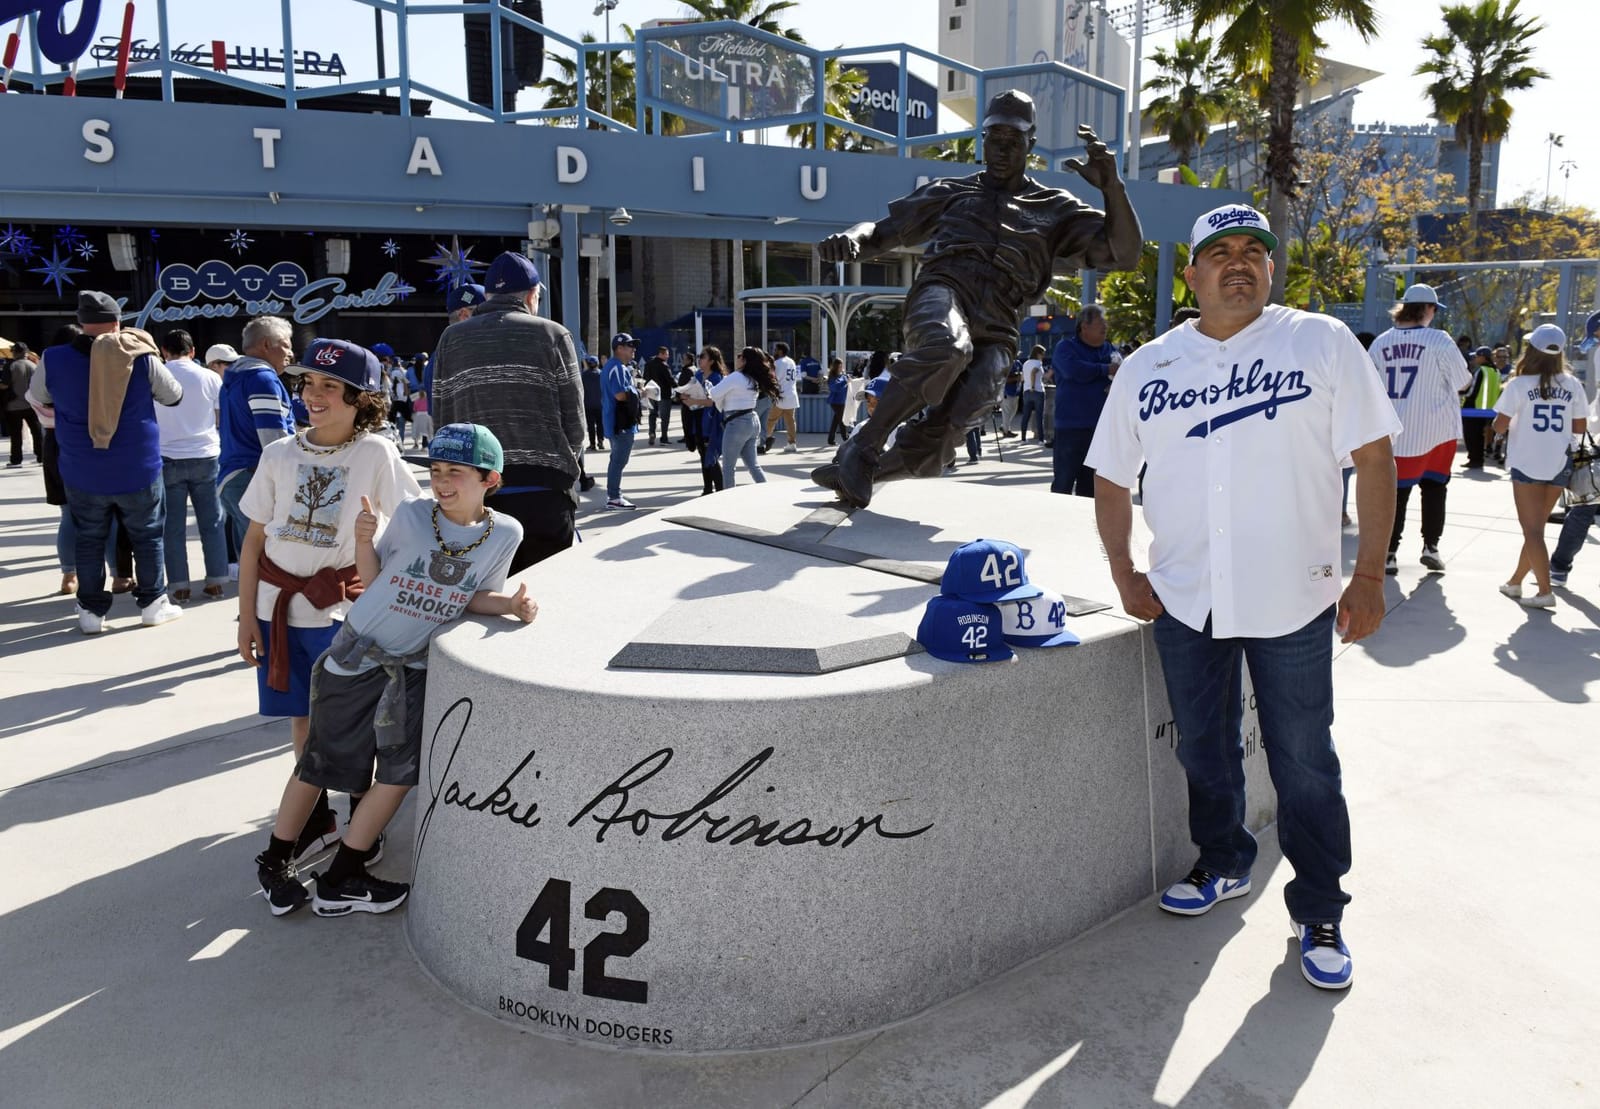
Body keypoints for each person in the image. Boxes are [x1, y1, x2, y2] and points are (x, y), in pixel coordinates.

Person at [1088, 203, 1399, 991]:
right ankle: (1224, 859)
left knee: (1304, 762)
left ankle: (1319, 906)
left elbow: (1372, 456)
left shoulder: (1319, 341)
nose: (1238, 262)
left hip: (1293, 600)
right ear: (1190, 275)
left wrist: (1368, 574)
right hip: (1188, 597)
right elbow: (1112, 477)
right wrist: (1125, 570)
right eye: (1218, 252)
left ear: (1272, 269)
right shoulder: (1148, 365)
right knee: (1203, 747)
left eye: (1253, 251)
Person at [253, 422, 536, 916]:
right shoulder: (410, 515)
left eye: (457, 472)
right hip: (357, 656)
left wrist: (510, 605)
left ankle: (342, 875)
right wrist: (364, 540)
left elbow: (473, 596)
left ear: (490, 479)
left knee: (400, 774)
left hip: (414, 670)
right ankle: (274, 861)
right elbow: (373, 578)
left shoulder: (505, 533)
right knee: (321, 763)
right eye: (437, 471)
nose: (443, 482)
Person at [811, 90, 1140, 509]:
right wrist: (852, 238)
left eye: (1013, 140)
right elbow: (879, 231)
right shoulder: (951, 191)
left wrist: (1112, 187)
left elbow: (1125, 255)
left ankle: (861, 472)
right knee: (948, 347)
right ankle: (865, 446)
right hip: (943, 291)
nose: (1001, 149)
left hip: (1000, 326)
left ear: (1030, 145)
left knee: (950, 431)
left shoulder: (1056, 209)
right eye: (993, 137)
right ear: (982, 140)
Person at [238, 338, 420, 864]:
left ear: (361, 398)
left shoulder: (376, 453)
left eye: (330, 386)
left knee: (354, 721)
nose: (314, 395)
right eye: (307, 383)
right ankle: (316, 815)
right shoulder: (278, 454)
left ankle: (362, 814)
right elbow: (253, 541)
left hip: (343, 611)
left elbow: (415, 521)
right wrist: (247, 616)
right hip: (278, 611)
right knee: (303, 719)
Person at [430, 252, 586, 567]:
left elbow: (443, 424)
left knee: (486, 596)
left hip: (478, 492)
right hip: (545, 492)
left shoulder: (451, 339)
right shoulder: (553, 334)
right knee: (548, 596)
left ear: (487, 296)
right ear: (532, 296)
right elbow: (576, 423)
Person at [1367, 284, 1470, 575]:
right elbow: (1463, 381)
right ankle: (1431, 547)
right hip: (1435, 429)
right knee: (1435, 488)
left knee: (1395, 495)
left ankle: (1389, 552)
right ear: (1426, 308)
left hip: (1392, 430)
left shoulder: (1381, 342)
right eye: (1434, 308)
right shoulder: (1439, 339)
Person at [1492, 324, 1586, 608]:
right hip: (1560, 462)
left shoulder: (1519, 384)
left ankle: (1545, 591)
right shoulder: (1572, 384)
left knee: (1532, 531)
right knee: (1536, 530)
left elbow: (1500, 425)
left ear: (1531, 350)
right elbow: (1579, 427)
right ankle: (1515, 582)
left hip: (1526, 462)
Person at [155, 329, 228, 603]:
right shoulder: (210, 377)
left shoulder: (155, 375)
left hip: (166, 456)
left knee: (171, 527)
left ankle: (179, 585)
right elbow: (220, 417)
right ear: (193, 351)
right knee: (212, 521)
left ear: (164, 351)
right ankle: (216, 582)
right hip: (206, 454)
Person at [217, 316, 296, 564]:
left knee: (252, 566)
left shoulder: (236, 377)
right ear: (265, 344)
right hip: (253, 479)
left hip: (236, 477)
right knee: (269, 567)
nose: (291, 352)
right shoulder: (262, 379)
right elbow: (274, 443)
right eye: (286, 344)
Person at [25, 323, 91, 595]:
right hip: (82, 441)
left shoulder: (45, 371)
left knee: (67, 514)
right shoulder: (76, 372)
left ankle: (69, 574)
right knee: (103, 511)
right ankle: (115, 574)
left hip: (53, 443)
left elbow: (34, 398)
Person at [1050, 305, 1120, 496]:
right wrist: (1105, 370)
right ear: (1084, 327)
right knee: (1063, 483)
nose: (1105, 327)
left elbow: (1122, 373)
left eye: (1105, 323)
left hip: (1100, 430)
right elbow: (1074, 371)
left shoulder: (1111, 350)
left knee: (1090, 488)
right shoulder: (1065, 348)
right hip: (1070, 428)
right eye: (1100, 323)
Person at [688, 345, 779, 488]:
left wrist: (709, 386)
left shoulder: (736, 376)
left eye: (739, 356)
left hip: (736, 423)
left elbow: (714, 394)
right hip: (752, 420)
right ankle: (767, 492)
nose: (737, 358)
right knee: (753, 466)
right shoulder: (753, 378)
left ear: (744, 360)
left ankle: (728, 501)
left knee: (729, 468)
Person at [601, 332, 641, 509]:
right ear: (619, 348)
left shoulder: (614, 366)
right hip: (621, 423)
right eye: (629, 345)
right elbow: (619, 395)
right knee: (619, 460)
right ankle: (614, 497)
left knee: (616, 459)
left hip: (616, 421)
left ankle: (614, 495)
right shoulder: (617, 367)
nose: (633, 349)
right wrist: (641, 393)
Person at [694, 347, 727, 495]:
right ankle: (707, 488)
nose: (699, 359)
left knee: (711, 455)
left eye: (703, 357)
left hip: (712, 421)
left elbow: (713, 401)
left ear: (712, 361)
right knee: (703, 454)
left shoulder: (717, 378)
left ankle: (720, 490)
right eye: (699, 356)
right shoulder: (697, 375)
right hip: (697, 419)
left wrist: (693, 400)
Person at [1460, 345, 1499, 470]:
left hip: (1474, 409)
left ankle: (1474, 459)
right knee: (1479, 436)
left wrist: (1460, 394)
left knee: (1470, 435)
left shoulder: (1481, 371)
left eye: (1476, 356)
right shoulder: (1495, 371)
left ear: (1483, 357)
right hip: (1488, 410)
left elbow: (1472, 391)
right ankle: (1478, 459)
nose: (1475, 359)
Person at [5, 341, 43, 467]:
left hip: (13, 405)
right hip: (32, 404)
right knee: (37, 432)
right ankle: (41, 456)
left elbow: (5, 384)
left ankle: (16, 459)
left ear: (16, 352)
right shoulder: (35, 365)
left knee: (16, 434)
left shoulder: (12, 366)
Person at [762, 341, 801, 454]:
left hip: (781, 396)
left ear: (780, 351)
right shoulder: (792, 361)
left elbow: (773, 379)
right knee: (790, 421)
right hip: (792, 395)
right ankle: (792, 443)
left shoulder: (777, 363)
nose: (774, 352)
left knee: (771, 420)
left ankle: (766, 439)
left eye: (776, 350)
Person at [643, 345, 677, 445]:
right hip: (664, 394)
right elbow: (670, 379)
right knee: (665, 417)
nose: (668, 356)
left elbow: (645, 377)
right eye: (666, 354)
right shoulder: (664, 365)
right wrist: (678, 388)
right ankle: (664, 437)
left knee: (652, 414)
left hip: (651, 393)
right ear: (661, 354)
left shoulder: (648, 364)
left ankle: (652, 433)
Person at [1017, 344, 1048, 443]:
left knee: (1026, 415)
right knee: (1039, 416)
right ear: (1038, 354)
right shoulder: (1038, 363)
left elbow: (1022, 378)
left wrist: (1028, 385)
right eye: (1042, 354)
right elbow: (1033, 372)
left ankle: (1023, 438)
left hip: (1026, 392)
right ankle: (1041, 440)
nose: (1043, 356)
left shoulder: (1026, 363)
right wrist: (1033, 386)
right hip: (1037, 391)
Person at [582, 355, 605, 452]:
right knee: (600, 423)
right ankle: (600, 440)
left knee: (590, 425)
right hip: (600, 404)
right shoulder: (602, 374)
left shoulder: (584, 375)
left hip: (588, 404)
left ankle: (592, 443)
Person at [826, 357, 850, 446]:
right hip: (835, 402)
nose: (841, 368)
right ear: (835, 367)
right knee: (842, 421)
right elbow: (835, 388)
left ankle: (830, 440)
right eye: (839, 366)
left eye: (841, 366)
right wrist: (845, 381)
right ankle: (846, 439)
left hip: (842, 401)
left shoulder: (843, 376)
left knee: (836, 421)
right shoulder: (832, 377)